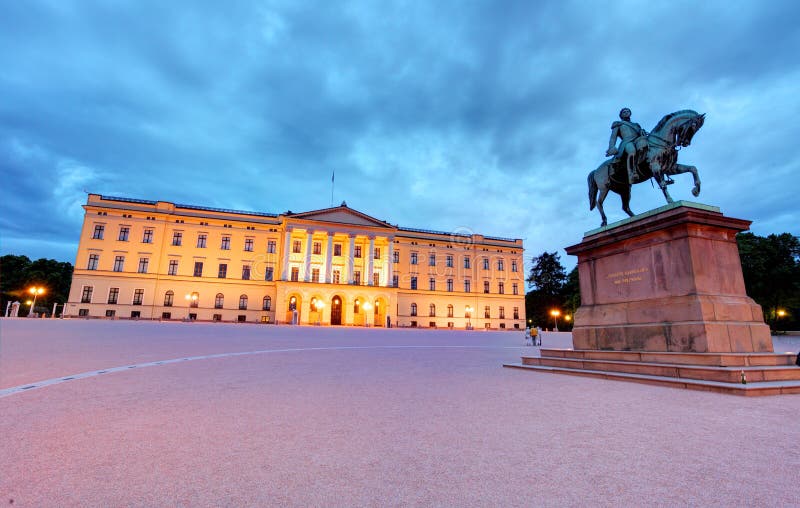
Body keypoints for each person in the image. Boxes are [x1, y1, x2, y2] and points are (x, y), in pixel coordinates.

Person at [606, 107, 648, 185]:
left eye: (627, 111)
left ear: (630, 113)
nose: (626, 112)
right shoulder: (618, 124)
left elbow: (640, 134)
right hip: (627, 142)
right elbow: (613, 137)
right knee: (632, 151)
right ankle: (632, 173)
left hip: (637, 140)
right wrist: (611, 147)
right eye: (624, 112)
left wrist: (642, 132)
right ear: (621, 115)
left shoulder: (636, 125)